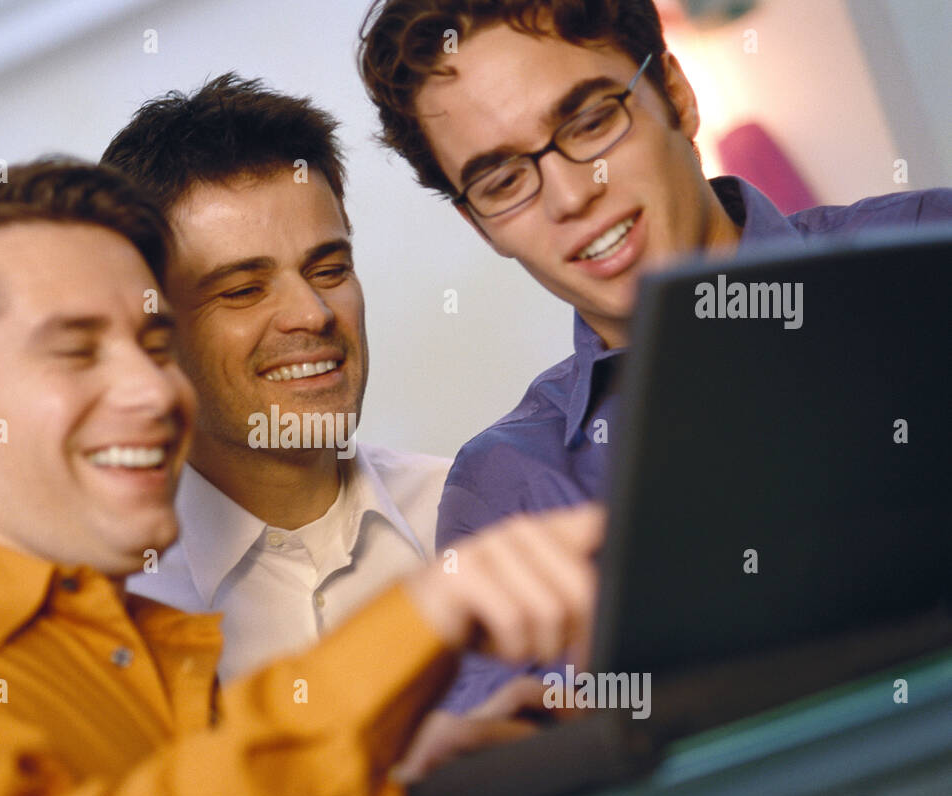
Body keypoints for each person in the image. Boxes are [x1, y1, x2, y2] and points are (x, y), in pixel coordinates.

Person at [0, 158, 604, 796]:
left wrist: (387, 780)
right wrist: (418, 620)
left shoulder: (152, 655)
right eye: (75, 350)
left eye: (152, 344)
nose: (153, 388)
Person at [358, 0, 952, 708]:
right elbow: (539, 768)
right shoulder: (506, 490)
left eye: (590, 122)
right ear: (478, 223)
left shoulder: (933, 245)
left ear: (675, 93)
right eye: (504, 181)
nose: (575, 195)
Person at [102, 75, 450, 683]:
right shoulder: (116, 611)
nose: (312, 313)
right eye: (242, 290)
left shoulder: (470, 512)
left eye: (329, 268)